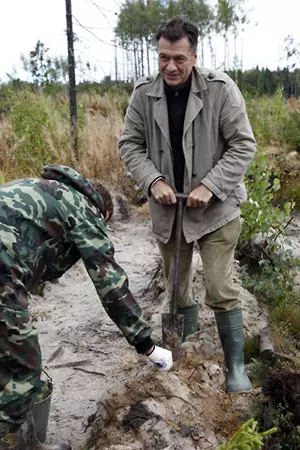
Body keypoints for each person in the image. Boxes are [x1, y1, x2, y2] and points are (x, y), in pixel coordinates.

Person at [119, 15, 257, 394]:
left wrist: (210, 186)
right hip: (169, 210)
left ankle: (235, 367)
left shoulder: (221, 90)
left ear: (194, 57)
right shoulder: (143, 94)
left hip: (216, 210)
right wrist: (154, 180)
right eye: (163, 57)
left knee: (219, 285)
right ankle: (187, 354)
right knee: (176, 291)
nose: (170, 66)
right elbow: (129, 144)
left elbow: (244, 145)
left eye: (179, 58)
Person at [0, 164, 173, 450]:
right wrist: (147, 345)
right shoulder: (84, 210)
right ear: (103, 211)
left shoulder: (47, 191)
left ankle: (28, 440)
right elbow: (110, 283)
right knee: (23, 365)